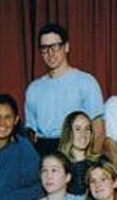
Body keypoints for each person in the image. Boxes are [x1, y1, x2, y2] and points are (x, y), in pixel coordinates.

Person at [25, 23, 107, 157]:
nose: (50, 53)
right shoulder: (33, 89)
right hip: (44, 153)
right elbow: (31, 133)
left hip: (76, 150)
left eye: (55, 46)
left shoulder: (86, 82)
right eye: (45, 48)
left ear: (66, 47)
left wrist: (90, 164)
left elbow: (98, 130)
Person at [58, 111, 102, 195]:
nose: (83, 134)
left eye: (87, 129)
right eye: (77, 129)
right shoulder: (58, 166)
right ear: (68, 132)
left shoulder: (100, 163)